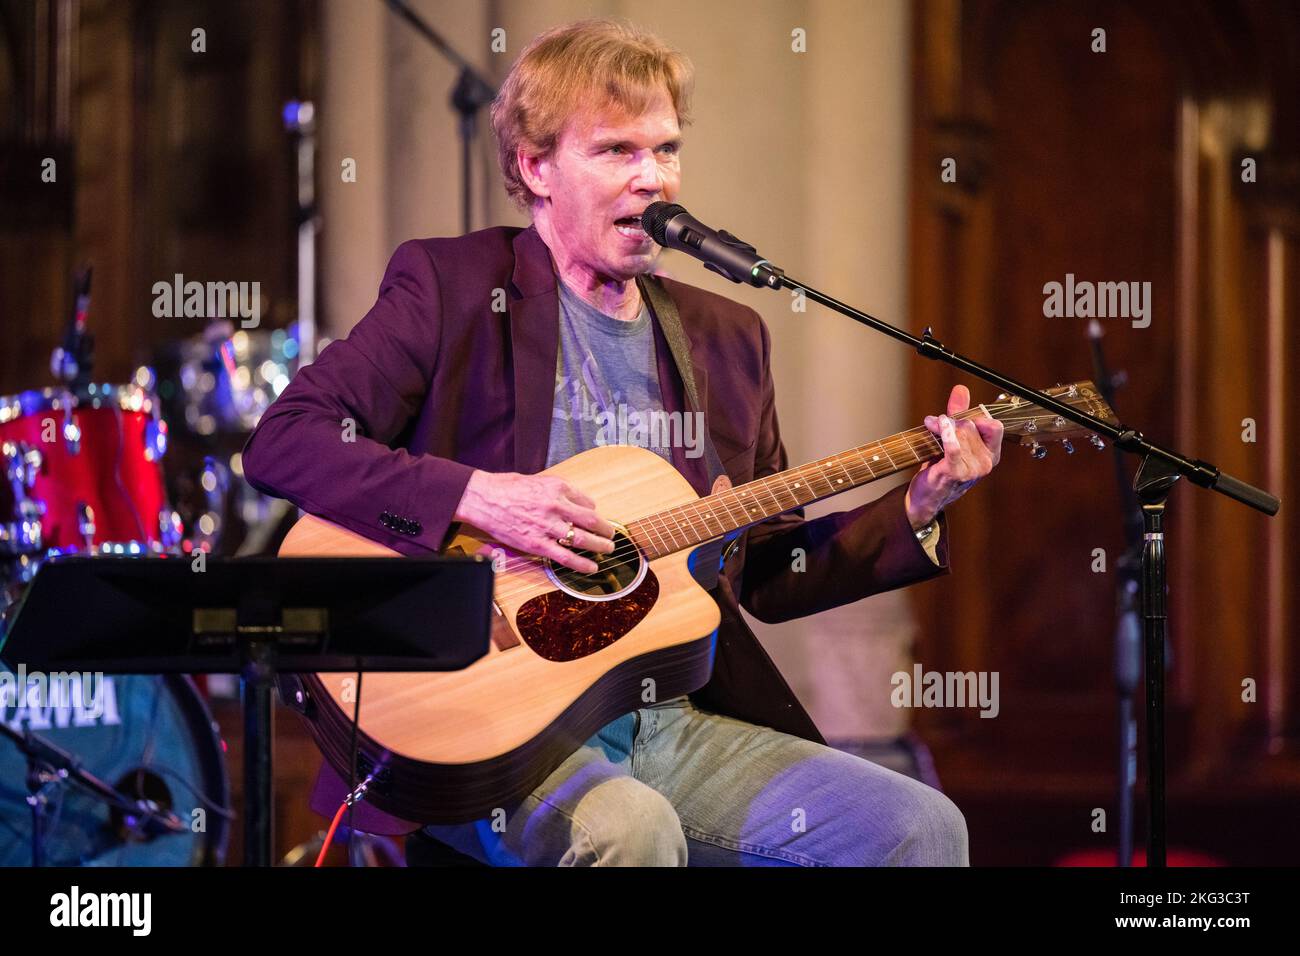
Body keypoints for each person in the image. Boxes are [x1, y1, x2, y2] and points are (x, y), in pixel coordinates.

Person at [241, 18, 1003, 866]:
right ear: (535, 168)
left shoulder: (728, 338)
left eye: (666, 149)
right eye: (616, 151)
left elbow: (774, 572)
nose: (654, 178)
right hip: (487, 725)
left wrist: (918, 507)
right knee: (631, 829)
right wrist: (474, 495)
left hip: (669, 718)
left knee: (923, 827)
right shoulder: (452, 289)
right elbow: (287, 440)